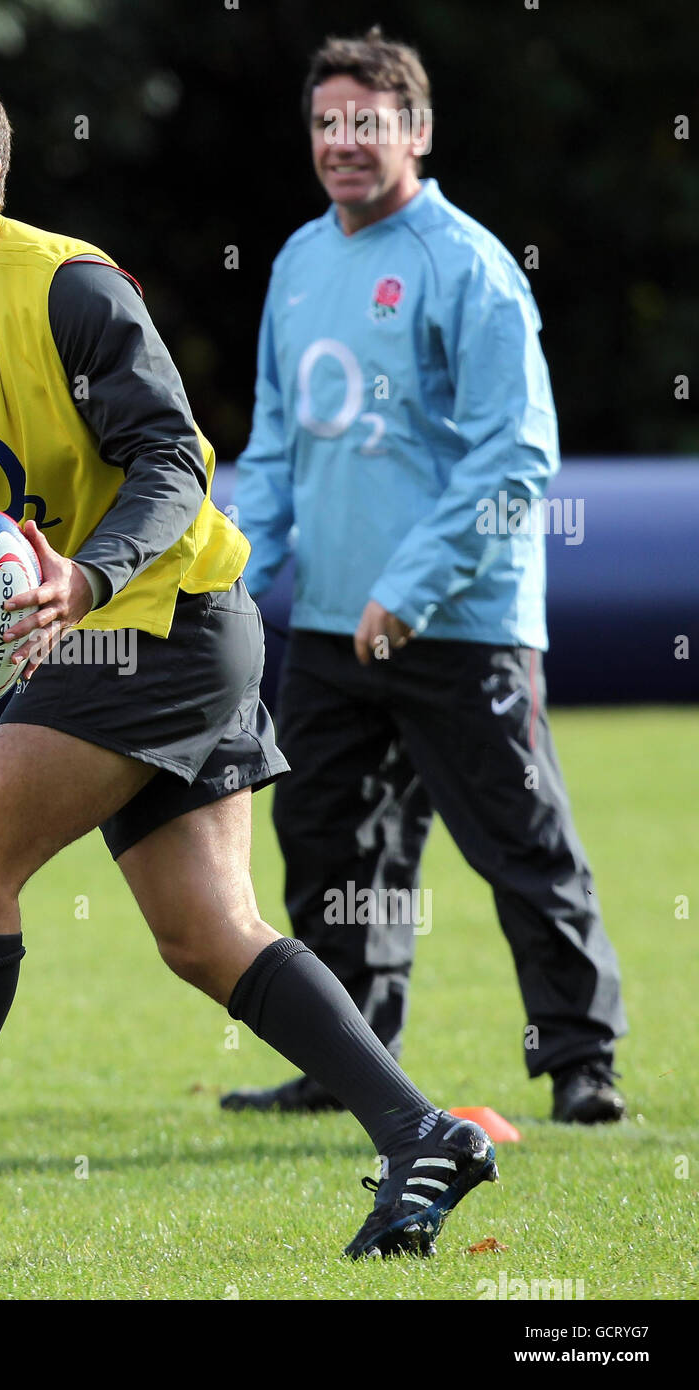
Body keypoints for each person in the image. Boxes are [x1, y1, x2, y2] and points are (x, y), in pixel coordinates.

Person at [0, 54, 498, 1262]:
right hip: (86, 632)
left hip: (167, 617)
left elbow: (171, 461)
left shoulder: (69, 289)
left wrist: (78, 575)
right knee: (207, 933)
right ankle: (423, 1133)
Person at [220, 29, 627, 1124]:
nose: (344, 143)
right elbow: (271, 453)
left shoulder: (468, 264)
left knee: (520, 845)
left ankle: (580, 1064)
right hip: (322, 626)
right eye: (326, 123)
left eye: (368, 121)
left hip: (459, 623)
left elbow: (516, 456)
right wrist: (216, 568)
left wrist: (408, 587)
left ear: (417, 131)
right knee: (324, 843)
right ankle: (345, 1063)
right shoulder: (299, 263)